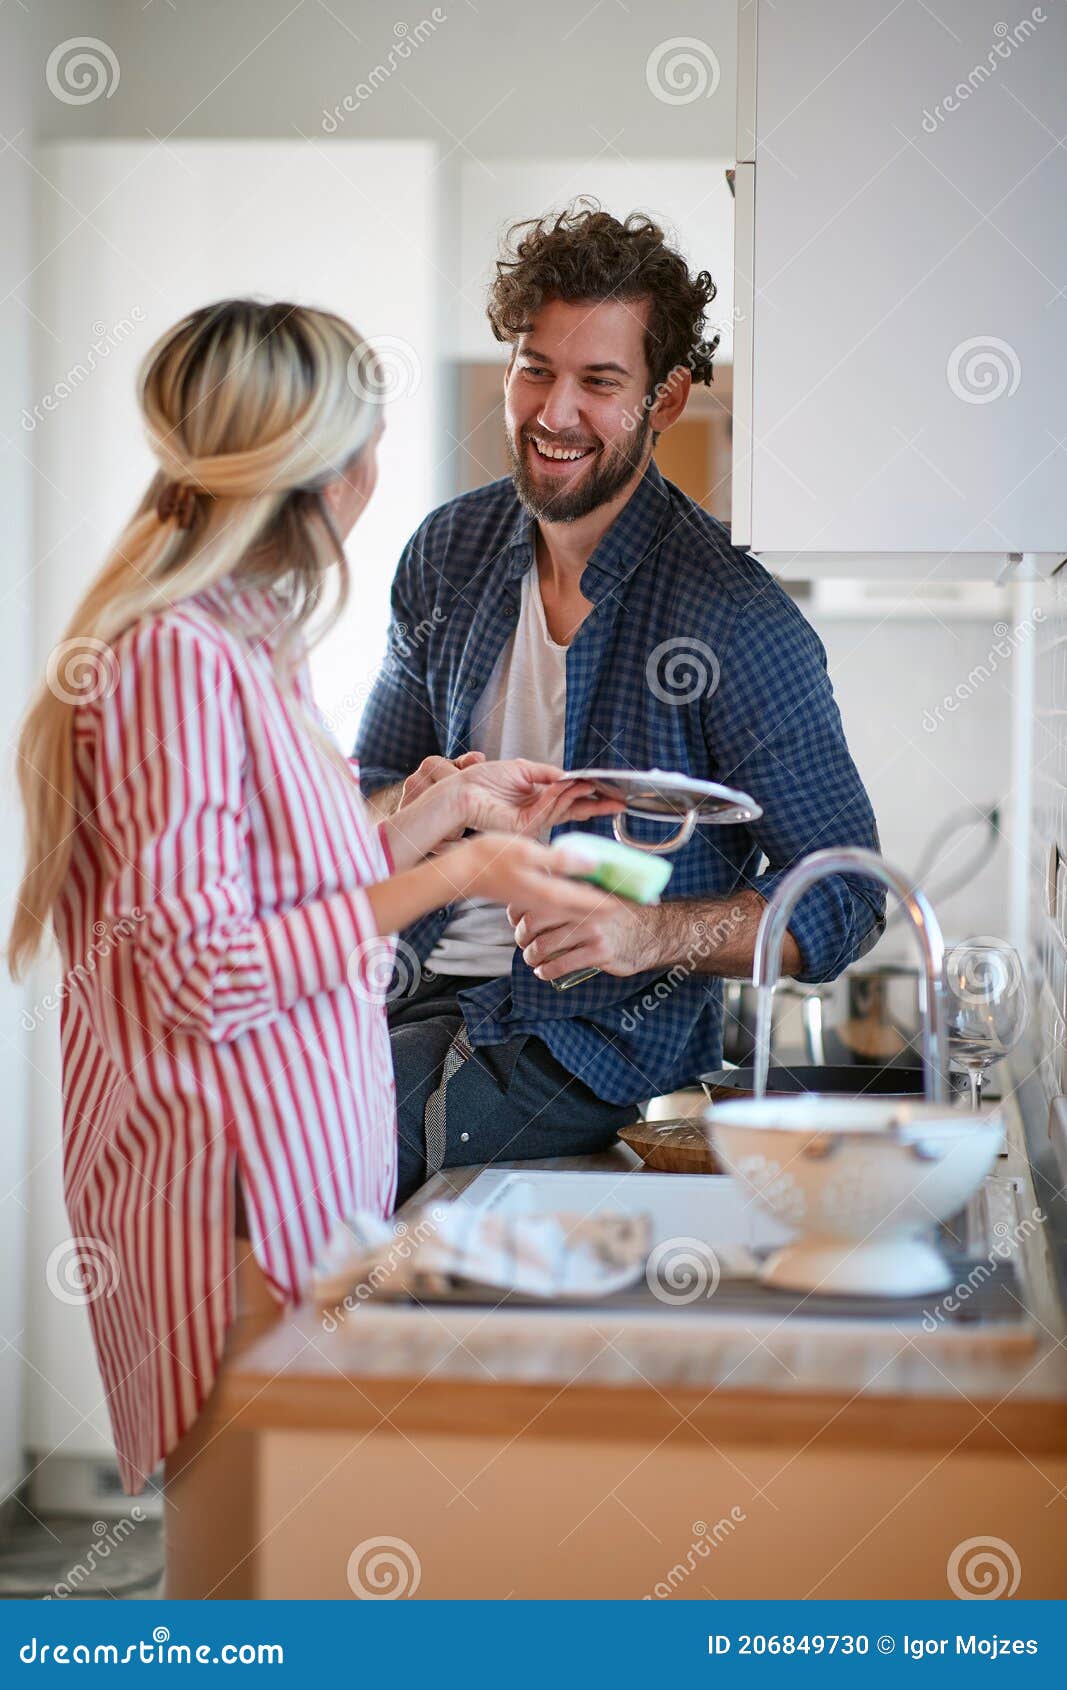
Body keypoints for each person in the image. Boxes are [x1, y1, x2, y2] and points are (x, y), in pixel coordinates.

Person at [4, 297, 622, 1507]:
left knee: (292, 1560)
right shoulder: (176, 658)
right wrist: (459, 878)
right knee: (250, 1570)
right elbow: (209, 968)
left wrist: (445, 809)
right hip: (227, 1187)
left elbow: (268, 875)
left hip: (289, 1177)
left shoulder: (244, 634)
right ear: (330, 465)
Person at [358, 204, 887, 1206]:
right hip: (404, 987)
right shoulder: (445, 554)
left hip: (585, 1044)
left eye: (598, 382)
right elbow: (364, 797)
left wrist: (650, 937)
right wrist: (428, 803)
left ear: (666, 396)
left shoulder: (731, 615)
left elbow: (845, 894)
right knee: (222, 1093)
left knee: (325, 1131)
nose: (554, 413)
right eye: (533, 369)